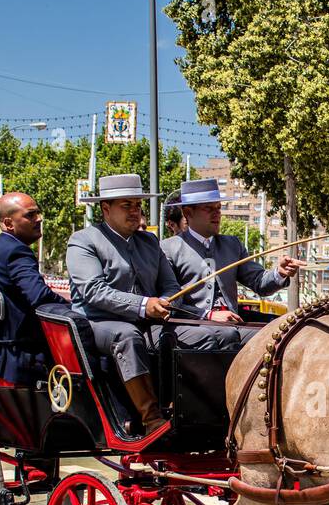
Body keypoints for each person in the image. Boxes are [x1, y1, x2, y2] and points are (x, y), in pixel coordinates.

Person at [66, 174, 177, 435]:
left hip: (148, 321)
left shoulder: (149, 242)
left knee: (192, 335)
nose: (135, 211)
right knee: (126, 335)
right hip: (96, 323)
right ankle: (151, 420)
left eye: (138, 205)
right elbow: (93, 290)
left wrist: (168, 302)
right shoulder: (84, 240)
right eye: (126, 205)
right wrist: (143, 305)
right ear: (106, 208)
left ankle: (187, 410)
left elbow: (170, 285)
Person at [161, 177, 300, 336]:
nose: (217, 214)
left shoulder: (232, 244)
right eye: (209, 208)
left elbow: (258, 281)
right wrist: (208, 315)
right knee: (228, 335)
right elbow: (169, 302)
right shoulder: (168, 249)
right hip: (193, 328)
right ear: (188, 213)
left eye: (218, 208)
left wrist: (279, 273)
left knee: (281, 337)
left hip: (234, 325)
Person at [0, 192, 63, 382]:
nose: (39, 219)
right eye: (30, 215)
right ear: (9, 223)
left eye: (38, 213)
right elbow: (39, 296)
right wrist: (73, 307)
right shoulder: (16, 251)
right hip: (16, 350)